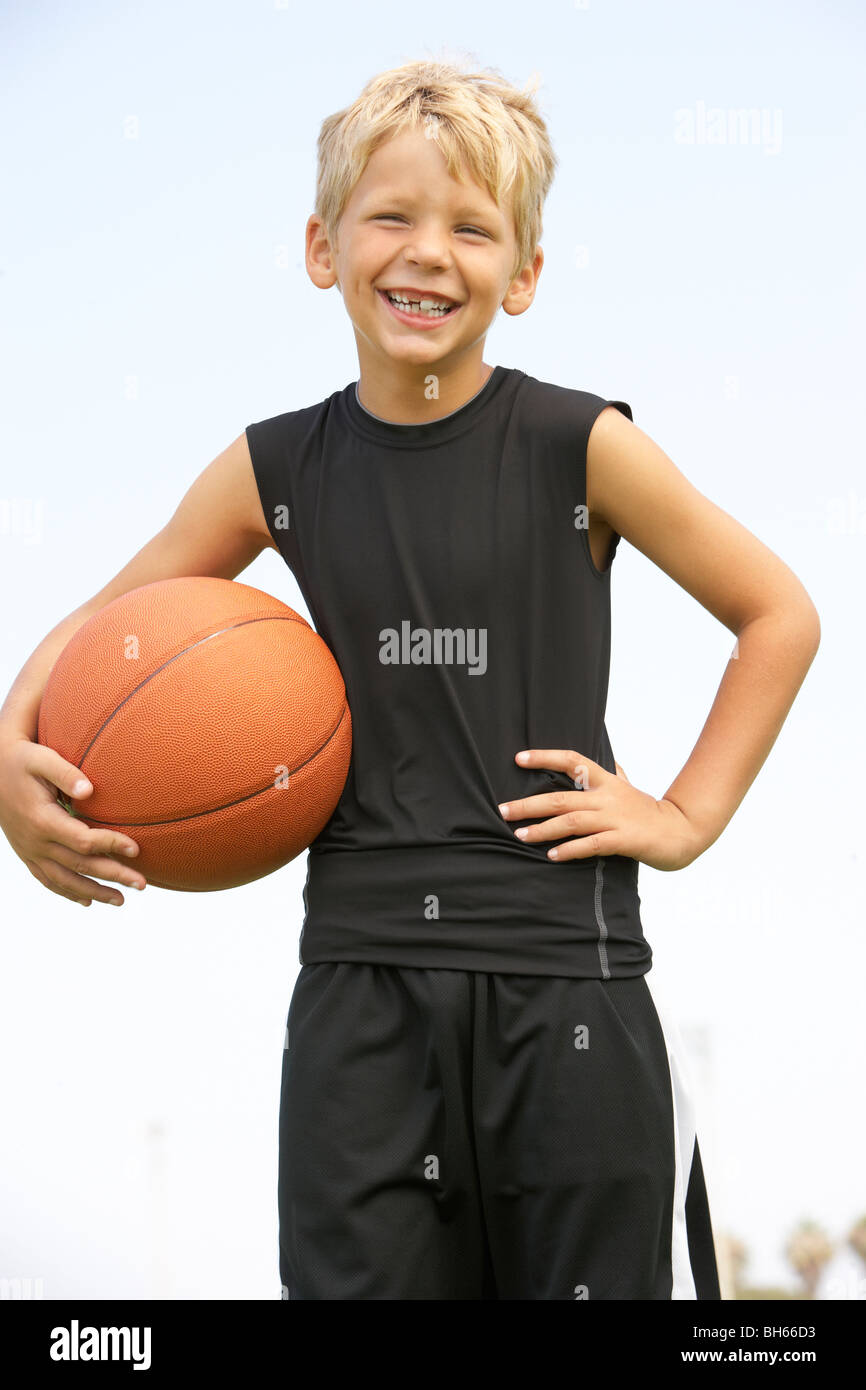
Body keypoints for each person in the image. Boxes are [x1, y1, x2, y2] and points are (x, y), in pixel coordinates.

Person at [0, 58, 821, 1300]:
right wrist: (14, 751)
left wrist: (685, 815)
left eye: (471, 228)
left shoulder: (577, 443)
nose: (427, 253)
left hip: (568, 981)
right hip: (357, 996)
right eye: (391, 216)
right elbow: (100, 630)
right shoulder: (274, 464)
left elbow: (777, 613)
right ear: (324, 247)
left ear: (524, 274)